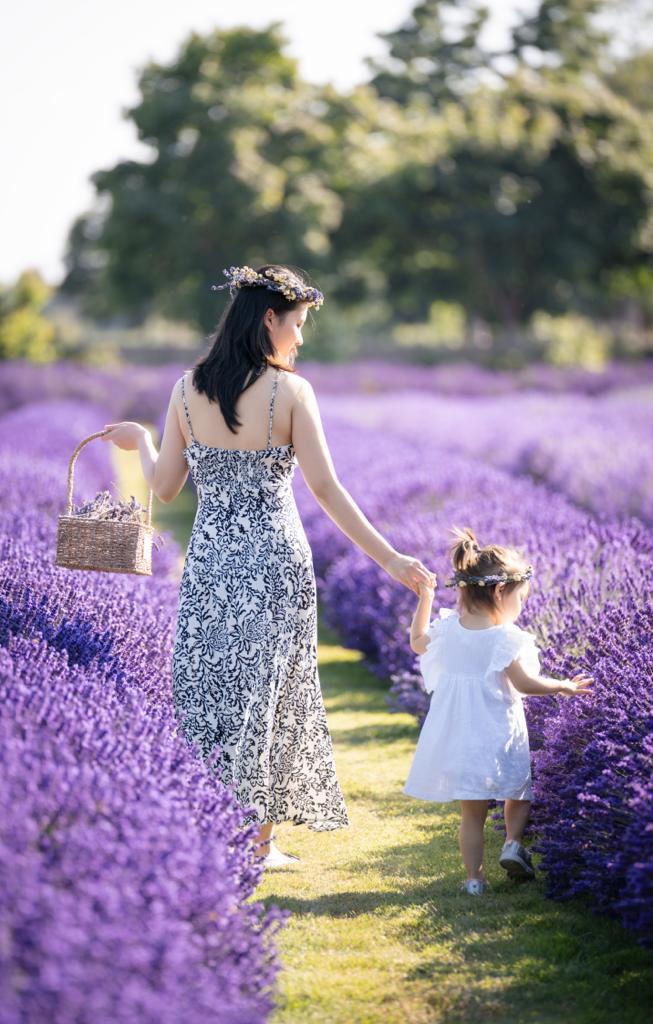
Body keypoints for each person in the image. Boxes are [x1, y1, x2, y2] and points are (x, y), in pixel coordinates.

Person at [100, 263, 436, 869]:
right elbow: (327, 491)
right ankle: (260, 842)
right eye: (299, 325)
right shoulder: (291, 393)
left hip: (212, 560)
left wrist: (142, 441)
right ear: (269, 319)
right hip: (277, 560)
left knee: (209, 689)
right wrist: (389, 558)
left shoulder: (184, 389)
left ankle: (210, 826)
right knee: (272, 691)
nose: (302, 338)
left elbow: (167, 489)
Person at [404, 525, 593, 895]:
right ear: (500, 592)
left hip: (459, 734)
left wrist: (425, 597)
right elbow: (525, 685)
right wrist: (563, 686)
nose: (521, 608)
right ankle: (512, 843)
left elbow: (416, 642)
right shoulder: (506, 638)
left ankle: (474, 880)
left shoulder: (446, 630)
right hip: (499, 731)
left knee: (471, 814)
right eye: (520, 599)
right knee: (517, 791)